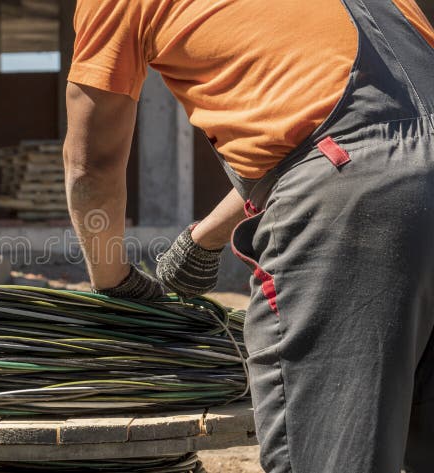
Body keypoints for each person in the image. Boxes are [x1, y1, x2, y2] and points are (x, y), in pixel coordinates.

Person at [64, 0, 434, 471]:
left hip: (356, 212)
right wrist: (205, 237)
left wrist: (112, 280)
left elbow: (89, 168)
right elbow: (369, 140)